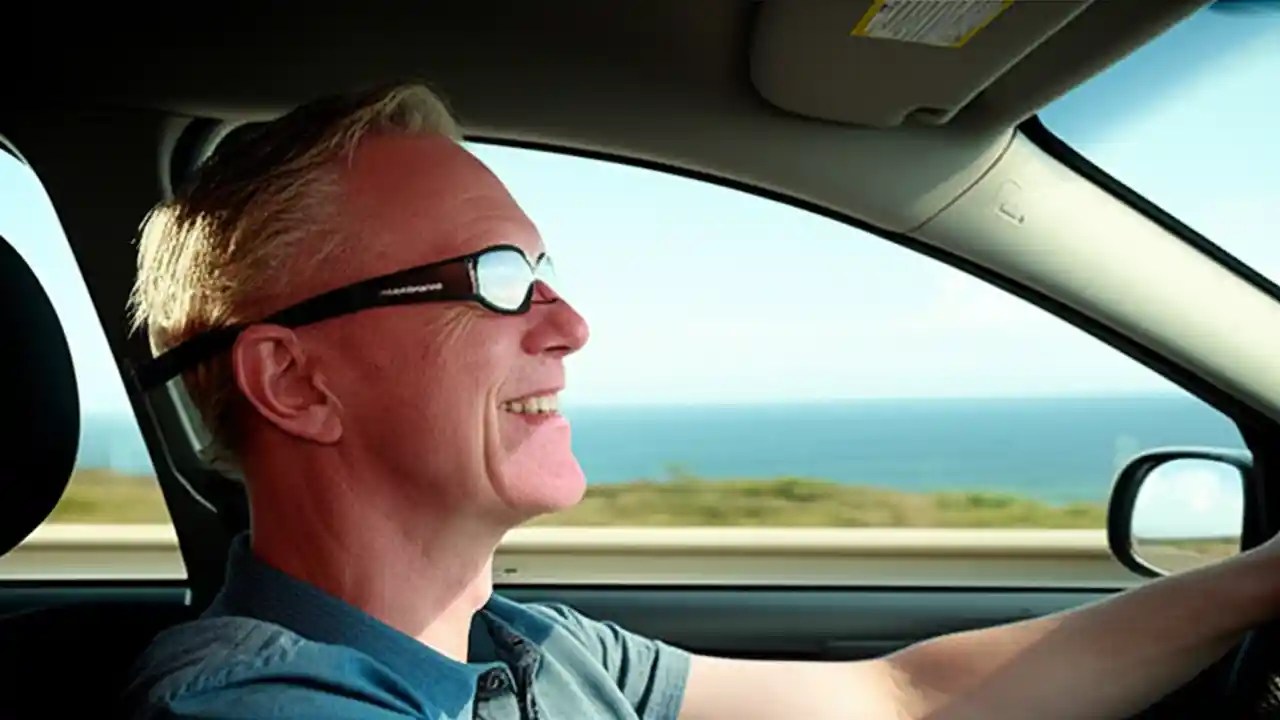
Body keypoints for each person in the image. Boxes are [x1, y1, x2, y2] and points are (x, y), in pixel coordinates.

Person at [123, 82, 1280, 720]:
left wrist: (1256, 581)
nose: (568, 325)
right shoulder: (256, 709)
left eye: (544, 272)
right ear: (295, 380)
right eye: (495, 279)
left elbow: (904, 696)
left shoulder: (535, 650)